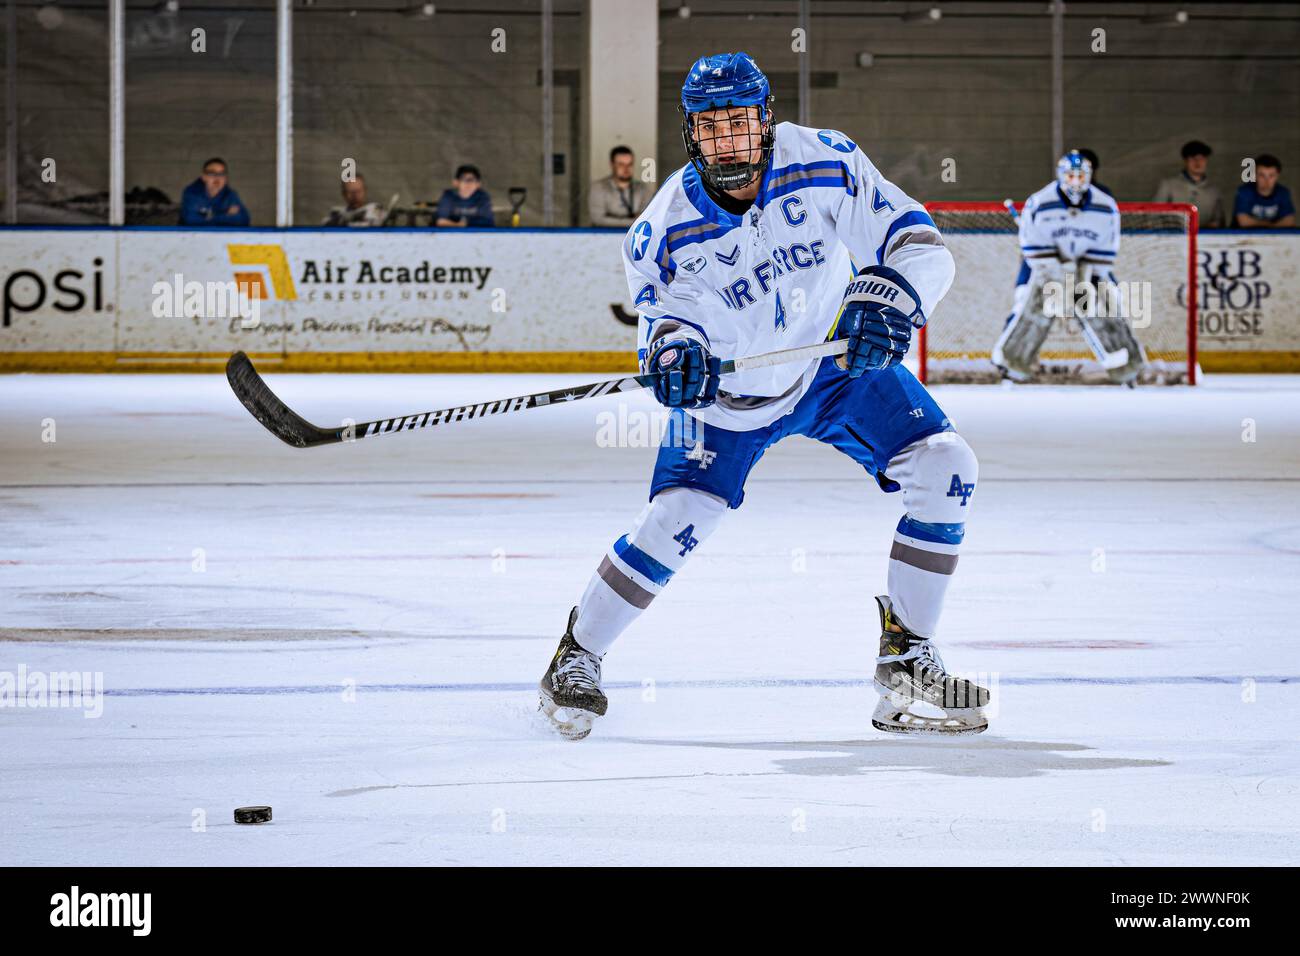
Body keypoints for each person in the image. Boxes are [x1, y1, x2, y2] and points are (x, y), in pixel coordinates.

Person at [537, 51, 989, 740]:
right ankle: (578, 656)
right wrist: (675, 358)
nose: (728, 141)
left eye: (740, 123)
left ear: (766, 120)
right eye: (711, 127)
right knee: (677, 521)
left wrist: (892, 299)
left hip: (833, 365)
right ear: (691, 134)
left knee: (946, 465)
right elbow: (666, 327)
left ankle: (906, 660)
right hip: (729, 403)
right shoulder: (663, 232)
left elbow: (919, 242)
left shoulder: (826, 160)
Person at [992, 151, 1145, 386]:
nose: (1075, 181)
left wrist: (1081, 280)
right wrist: (1061, 278)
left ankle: (1127, 369)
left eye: (1080, 176)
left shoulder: (1105, 206)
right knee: (1026, 303)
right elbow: (1033, 249)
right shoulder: (1041, 202)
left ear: (1089, 176)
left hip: (1089, 267)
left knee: (1110, 302)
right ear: (1062, 175)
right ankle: (1010, 365)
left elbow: (1105, 251)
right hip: (1044, 267)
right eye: (1071, 176)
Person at [1153, 140, 1225, 229]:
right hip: (1173, 238)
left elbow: (1219, 222)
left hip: (1204, 240)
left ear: (1206, 160)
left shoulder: (1214, 191)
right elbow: (1155, 216)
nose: (1197, 162)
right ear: (1185, 161)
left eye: (1201, 158)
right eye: (1192, 158)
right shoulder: (1168, 185)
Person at [589, 145, 651, 227]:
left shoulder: (643, 188)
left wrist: (611, 218)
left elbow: (647, 218)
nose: (626, 168)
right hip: (603, 236)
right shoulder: (598, 187)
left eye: (630, 164)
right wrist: (633, 221)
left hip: (634, 237)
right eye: (621, 164)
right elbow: (598, 220)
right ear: (612, 165)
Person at [178, 158, 250, 226]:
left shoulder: (230, 195)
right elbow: (191, 220)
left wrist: (207, 218)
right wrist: (225, 215)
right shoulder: (192, 193)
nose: (217, 177)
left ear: (225, 178)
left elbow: (243, 220)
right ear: (204, 177)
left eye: (221, 174)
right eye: (212, 173)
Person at [1234, 154, 1295, 228]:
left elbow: (1289, 221)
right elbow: (1244, 221)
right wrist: (1272, 226)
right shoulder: (1245, 192)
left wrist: (1265, 226)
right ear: (1254, 175)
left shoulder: (1283, 193)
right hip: (1245, 238)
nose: (1266, 181)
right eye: (1262, 175)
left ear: (1277, 176)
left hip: (1277, 237)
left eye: (1271, 175)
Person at [322, 174, 387, 227]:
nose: (355, 196)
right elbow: (325, 225)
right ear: (344, 194)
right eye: (351, 192)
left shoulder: (376, 210)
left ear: (365, 191)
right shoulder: (337, 214)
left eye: (358, 191)